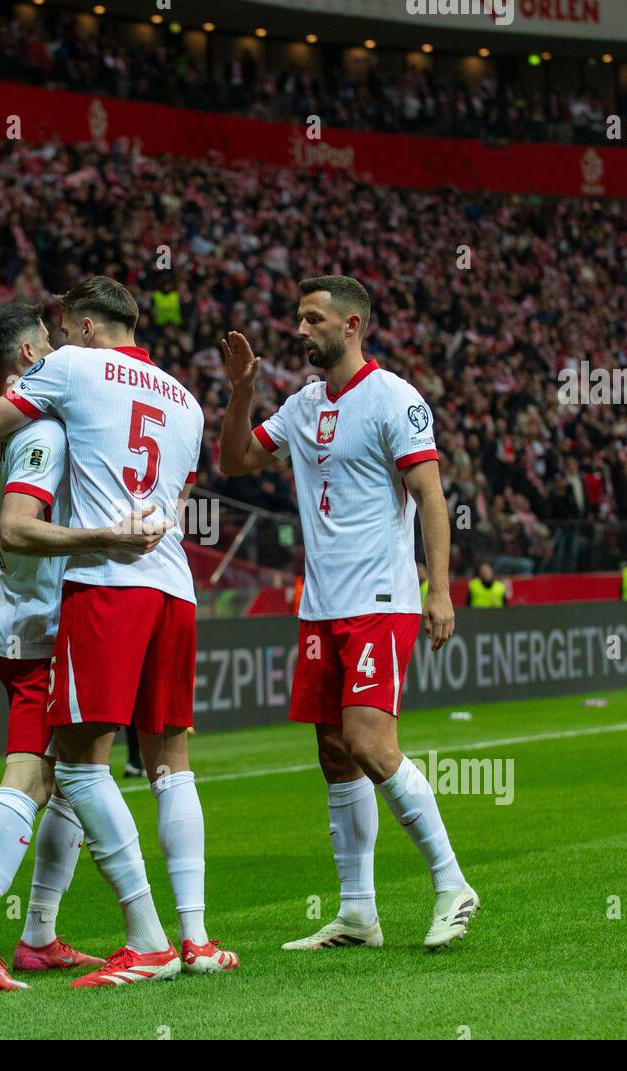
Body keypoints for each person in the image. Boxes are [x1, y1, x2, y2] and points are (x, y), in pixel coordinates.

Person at [0, 277, 239, 987]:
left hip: (89, 592)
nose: (53, 345)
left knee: (71, 767)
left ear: (81, 329)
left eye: (60, 331)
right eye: (40, 341)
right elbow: (178, 495)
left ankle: (92, 935)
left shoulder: (66, 378)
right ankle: (187, 936)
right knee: (158, 763)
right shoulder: (187, 399)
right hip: (166, 582)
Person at [218, 274, 477, 952]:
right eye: (298, 320)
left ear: (352, 324)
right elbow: (236, 459)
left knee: (369, 744)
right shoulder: (303, 405)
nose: (299, 331)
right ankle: (358, 911)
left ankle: (451, 883)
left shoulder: (395, 399)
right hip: (322, 606)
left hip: (381, 600)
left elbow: (430, 498)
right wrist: (242, 387)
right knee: (335, 753)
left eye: (312, 320)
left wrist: (440, 589)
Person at [0, 301, 171, 991]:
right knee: (36, 776)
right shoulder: (41, 429)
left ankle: (37, 934)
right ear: (31, 357)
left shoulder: (12, 418)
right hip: (37, 624)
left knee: (70, 777)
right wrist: (109, 539)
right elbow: (18, 528)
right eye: (50, 344)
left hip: (23, 614)